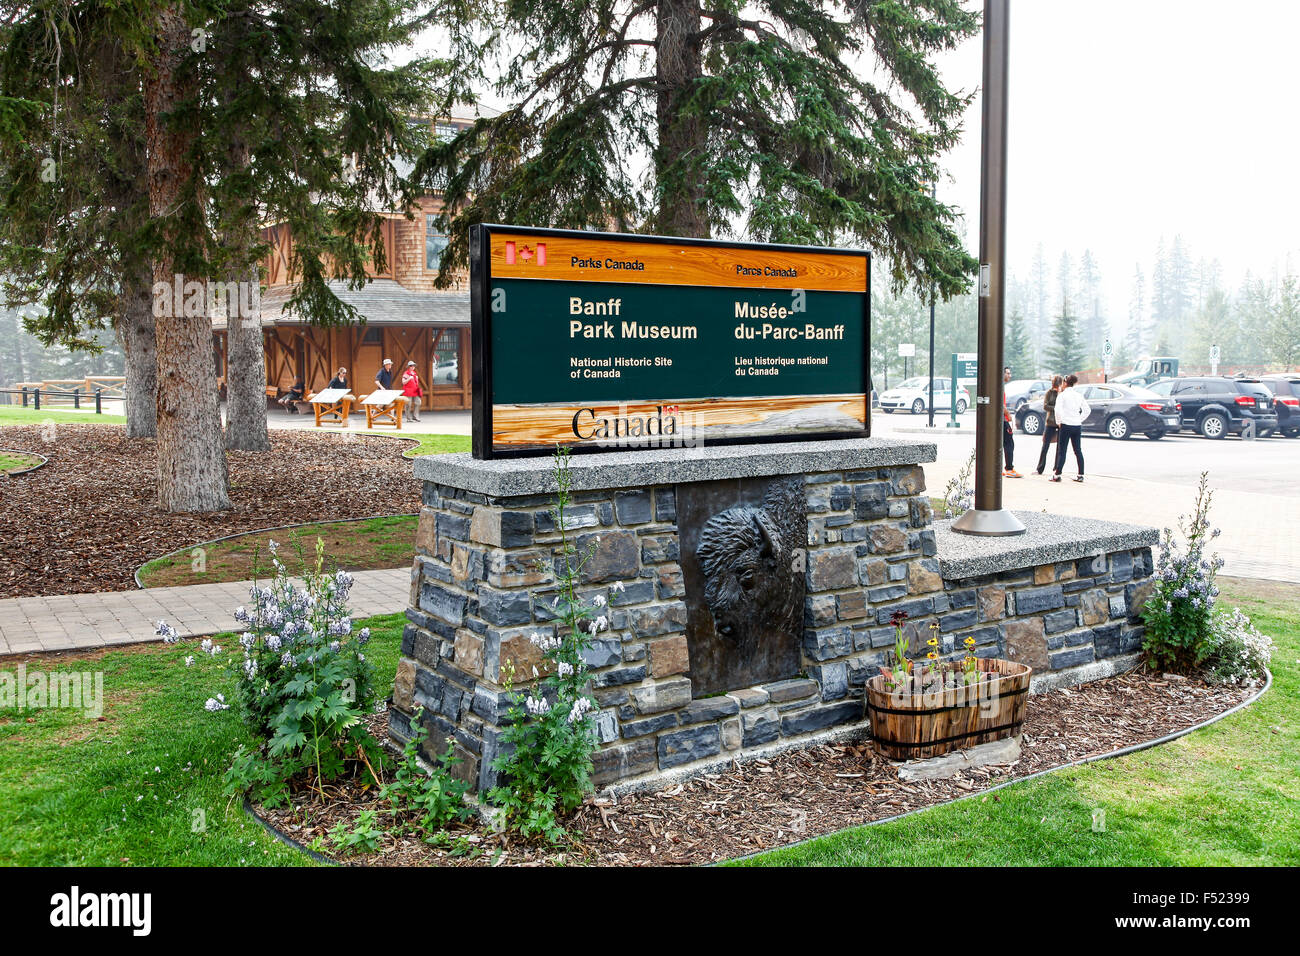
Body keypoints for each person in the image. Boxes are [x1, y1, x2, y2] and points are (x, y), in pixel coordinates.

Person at [1050, 374, 1090, 482]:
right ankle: (1081, 474)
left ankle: (1057, 474)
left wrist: (1059, 422)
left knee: (1062, 451)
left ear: (1065, 383)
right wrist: (1079, 419)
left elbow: (1057, 410)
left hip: (1065, 425)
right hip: (1077, 425)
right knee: (1078, 450)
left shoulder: (1062, 396)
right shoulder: (1079, 395)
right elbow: (1087, 410)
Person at [1035, 374, 1063, 475]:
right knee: (1045, 446)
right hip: (1050, 422)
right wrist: (1056, 408)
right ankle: (1040, 468)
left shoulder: (1062, 394)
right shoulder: (1049, 393)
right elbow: (1045, 406)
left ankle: (1056, 468)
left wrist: (1059, 394)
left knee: (1060, 447)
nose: (1057, 387)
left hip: (1060, 423)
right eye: (1056, 385)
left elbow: (1064, 406)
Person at [1002, 366, 1021, 478]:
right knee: (1009, 443)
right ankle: (1009, 468)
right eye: (1008, 373)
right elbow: (1001, 403)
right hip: (1002, 420)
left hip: (1000, 420)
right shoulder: (999, 386)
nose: (1010, 375)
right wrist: (1008, 414)